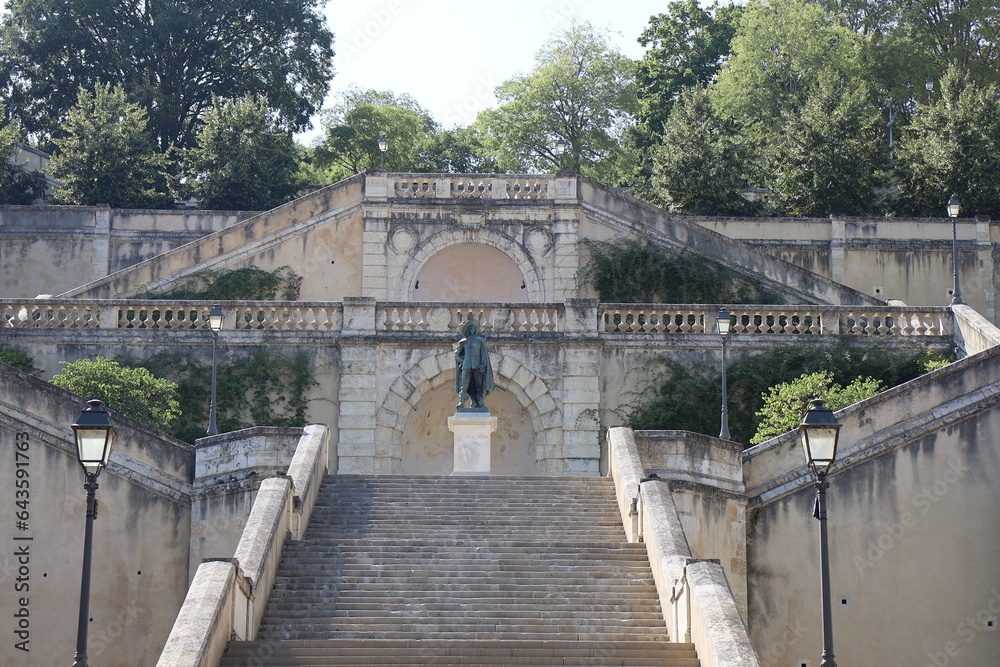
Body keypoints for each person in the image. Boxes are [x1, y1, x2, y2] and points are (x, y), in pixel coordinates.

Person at [455, 318, 494, 410]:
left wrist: (483, 364)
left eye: (474, 328)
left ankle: (480, 402)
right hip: (466, 366)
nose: (472, 330)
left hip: (477, 366)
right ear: (468, 330)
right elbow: (457, 354)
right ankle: (462, 402)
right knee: (464, 385)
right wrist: (462, 361)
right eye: (470, 328)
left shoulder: (480, 341)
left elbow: (483, 354)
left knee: (479, 386)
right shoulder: (464, 342)